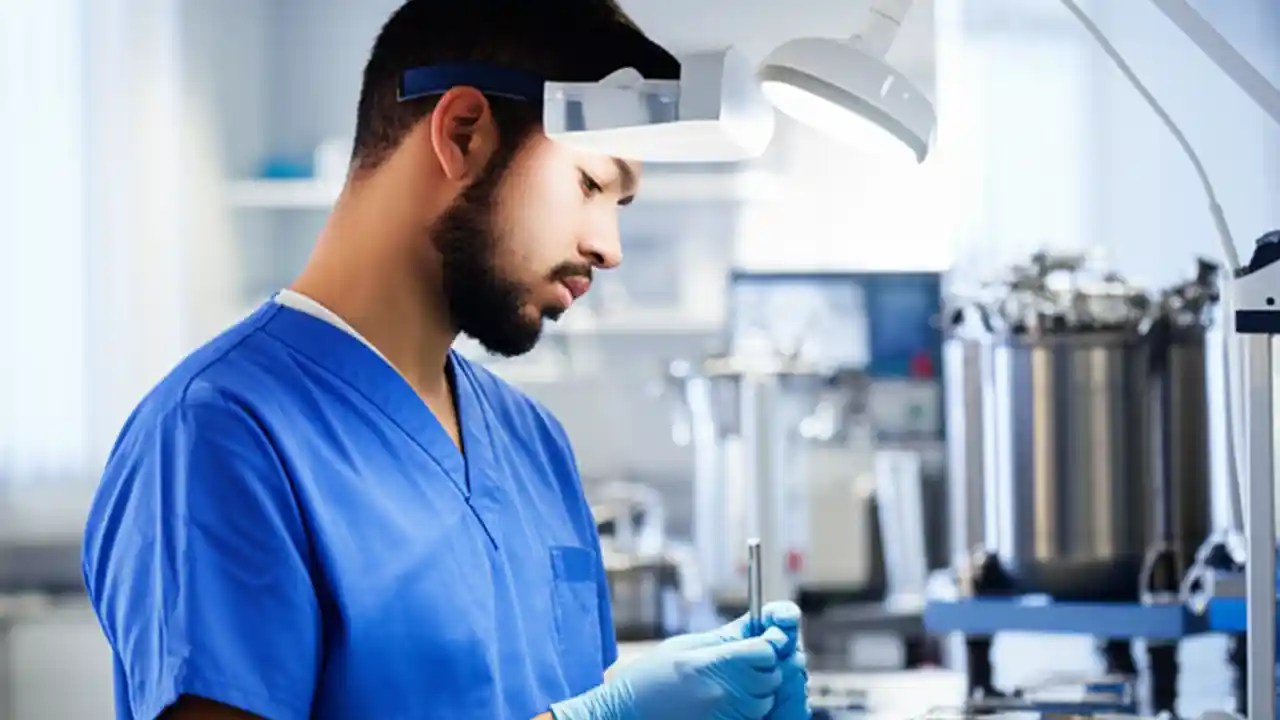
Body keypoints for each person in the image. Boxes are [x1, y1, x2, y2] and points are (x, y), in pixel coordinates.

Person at [80, 1, 809, 719]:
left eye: (621, 204)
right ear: (463, 135)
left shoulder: (533, 441)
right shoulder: (218, 439)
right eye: (589, 183)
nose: (607, 247)